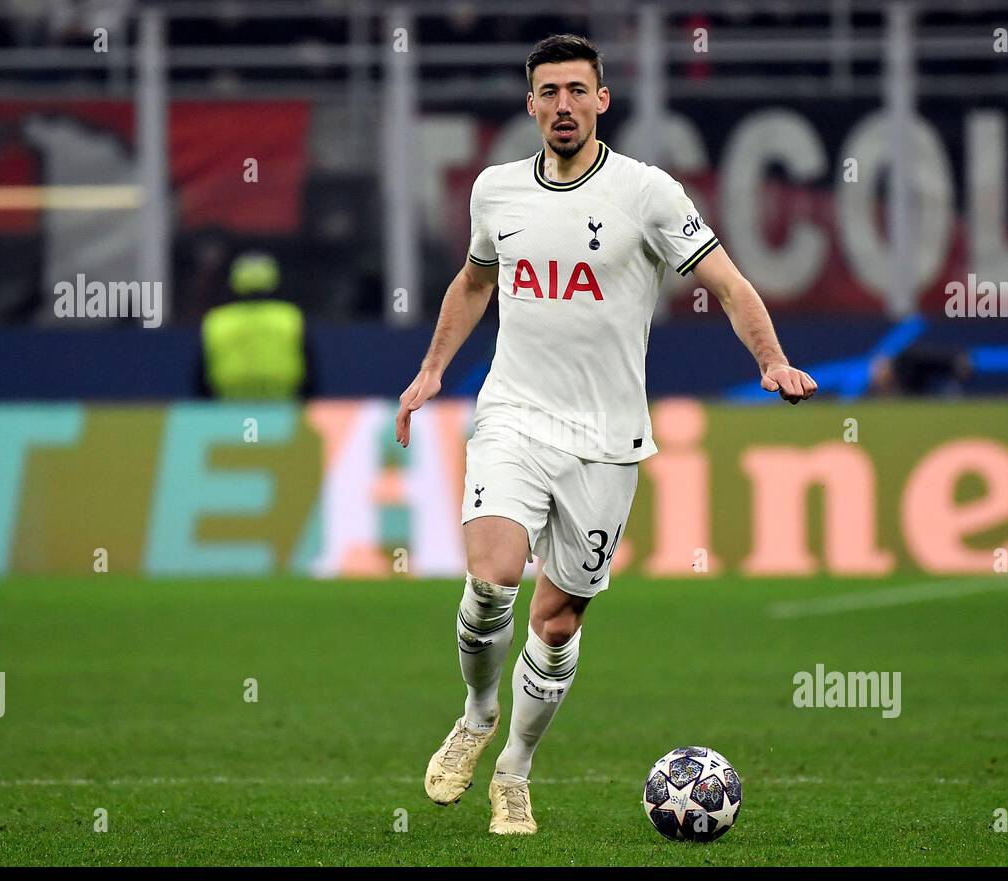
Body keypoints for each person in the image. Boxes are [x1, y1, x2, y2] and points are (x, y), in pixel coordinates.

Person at [394, 35, 817, 835]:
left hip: (607, 441)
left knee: (555, 624)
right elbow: (475, 279)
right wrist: (431, 372)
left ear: (601, 100)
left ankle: (514, 770)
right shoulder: (496, 192)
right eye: (547, 91)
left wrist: (773, 360)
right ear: (529, 104)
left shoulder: (648, 193)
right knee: (492, 581)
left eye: (575, 91)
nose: (561, 105)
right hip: (513, 415)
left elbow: (725, 282)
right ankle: (479, 714)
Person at [197, 252, 315, 400]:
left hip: (228, 407)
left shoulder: (217, 320)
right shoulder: (290, 317)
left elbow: (200, 376)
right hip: (283, 405)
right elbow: (311, 371)